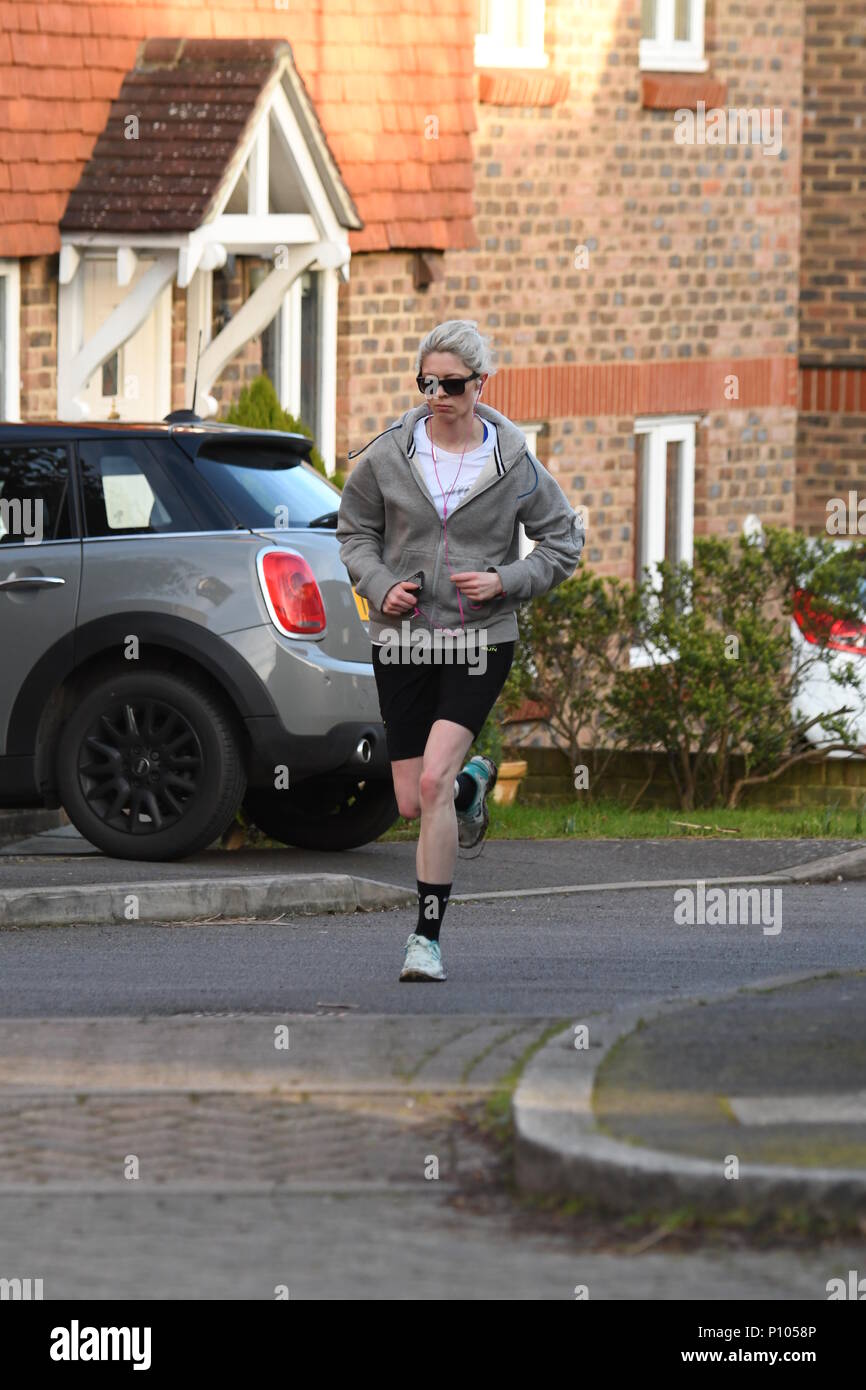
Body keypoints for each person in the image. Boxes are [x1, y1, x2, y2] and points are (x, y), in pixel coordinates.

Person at [336, 320, 584, 981]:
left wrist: (507, 579)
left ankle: (426, 940)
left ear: (480, 385)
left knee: (430, 781)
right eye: (426, 382)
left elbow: (564, 543)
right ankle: (474, 786)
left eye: (449, 384)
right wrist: (380, 584)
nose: (436, 394)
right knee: (412, 801)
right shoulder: (388, 455)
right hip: (405, 638)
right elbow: (355, 533)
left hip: (480, 638)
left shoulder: (512, 465)